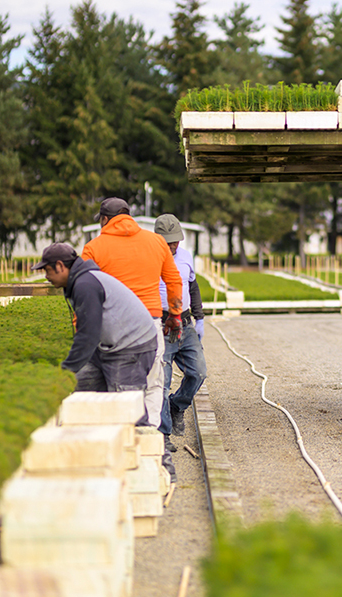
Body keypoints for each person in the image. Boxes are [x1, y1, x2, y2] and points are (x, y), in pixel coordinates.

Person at [81, 197, 183, 478]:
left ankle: (119, 453)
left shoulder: (94, 248)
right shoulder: (156, 242)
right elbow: (174, 281)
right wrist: (174, 314)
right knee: (152, 385)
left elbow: (84, 290)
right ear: (129, 216)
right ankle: (152, 447)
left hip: (112, 327)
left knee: (118, 390)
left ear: (103, 220)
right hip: (150, 323)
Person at [36, 243, 158, 416]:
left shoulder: (85, 284)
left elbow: (87, 335)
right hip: (106, 347)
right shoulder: (81, 281)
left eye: (47, 270)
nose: (46, 277)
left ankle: (141, 440)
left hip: (131, 347)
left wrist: (66, 369)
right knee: (84, 391)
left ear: (60, 266)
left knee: (126, 411)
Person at [153, 214, 208, 438]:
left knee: (198, 373)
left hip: (185, 324)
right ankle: (163, 436)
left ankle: (177, 406)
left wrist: (200, 317)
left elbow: (193, 288)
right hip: (161, 325)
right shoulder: (150, 260)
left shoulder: (186, 257)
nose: (172, 245)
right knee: (162, 383)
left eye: (175, 241)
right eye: (167, 242)